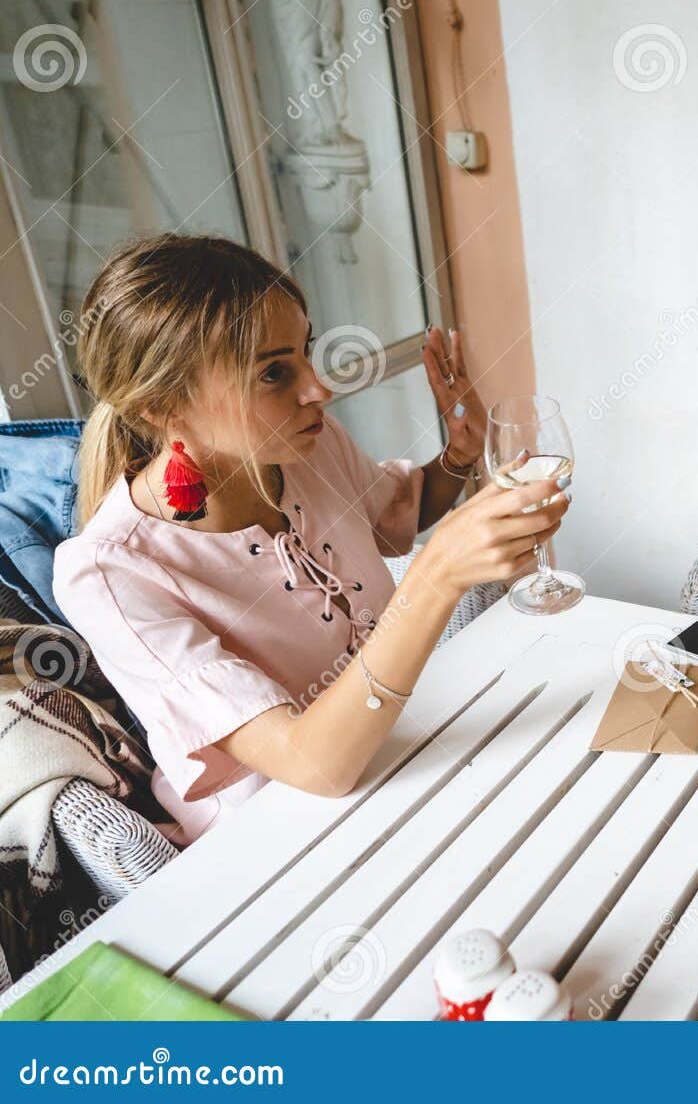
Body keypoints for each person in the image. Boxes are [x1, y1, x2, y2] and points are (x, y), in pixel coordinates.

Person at [53, 234, 568, 843]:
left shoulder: (305, 449)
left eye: (306, 353)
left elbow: (393, 515)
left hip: (406, 754)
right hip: (289, 843)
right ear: (167, 407)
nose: (317, 390)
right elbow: (312, 765)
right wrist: (437, 578)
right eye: (274, 372)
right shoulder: (112, 574)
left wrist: (456, 457)